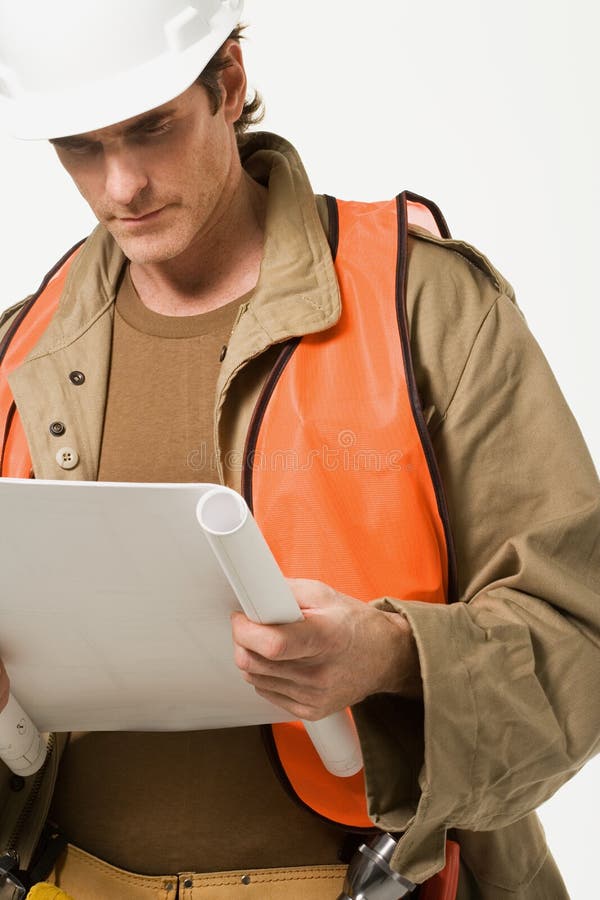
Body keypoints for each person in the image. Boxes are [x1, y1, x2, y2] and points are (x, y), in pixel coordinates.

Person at [0, 1, 598, 898]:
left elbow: (580, 639)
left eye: (150, 128)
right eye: (80, 146)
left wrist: (392, 651)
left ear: (229, 83)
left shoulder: (426, 309)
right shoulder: (22, 355)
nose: (120, 185)